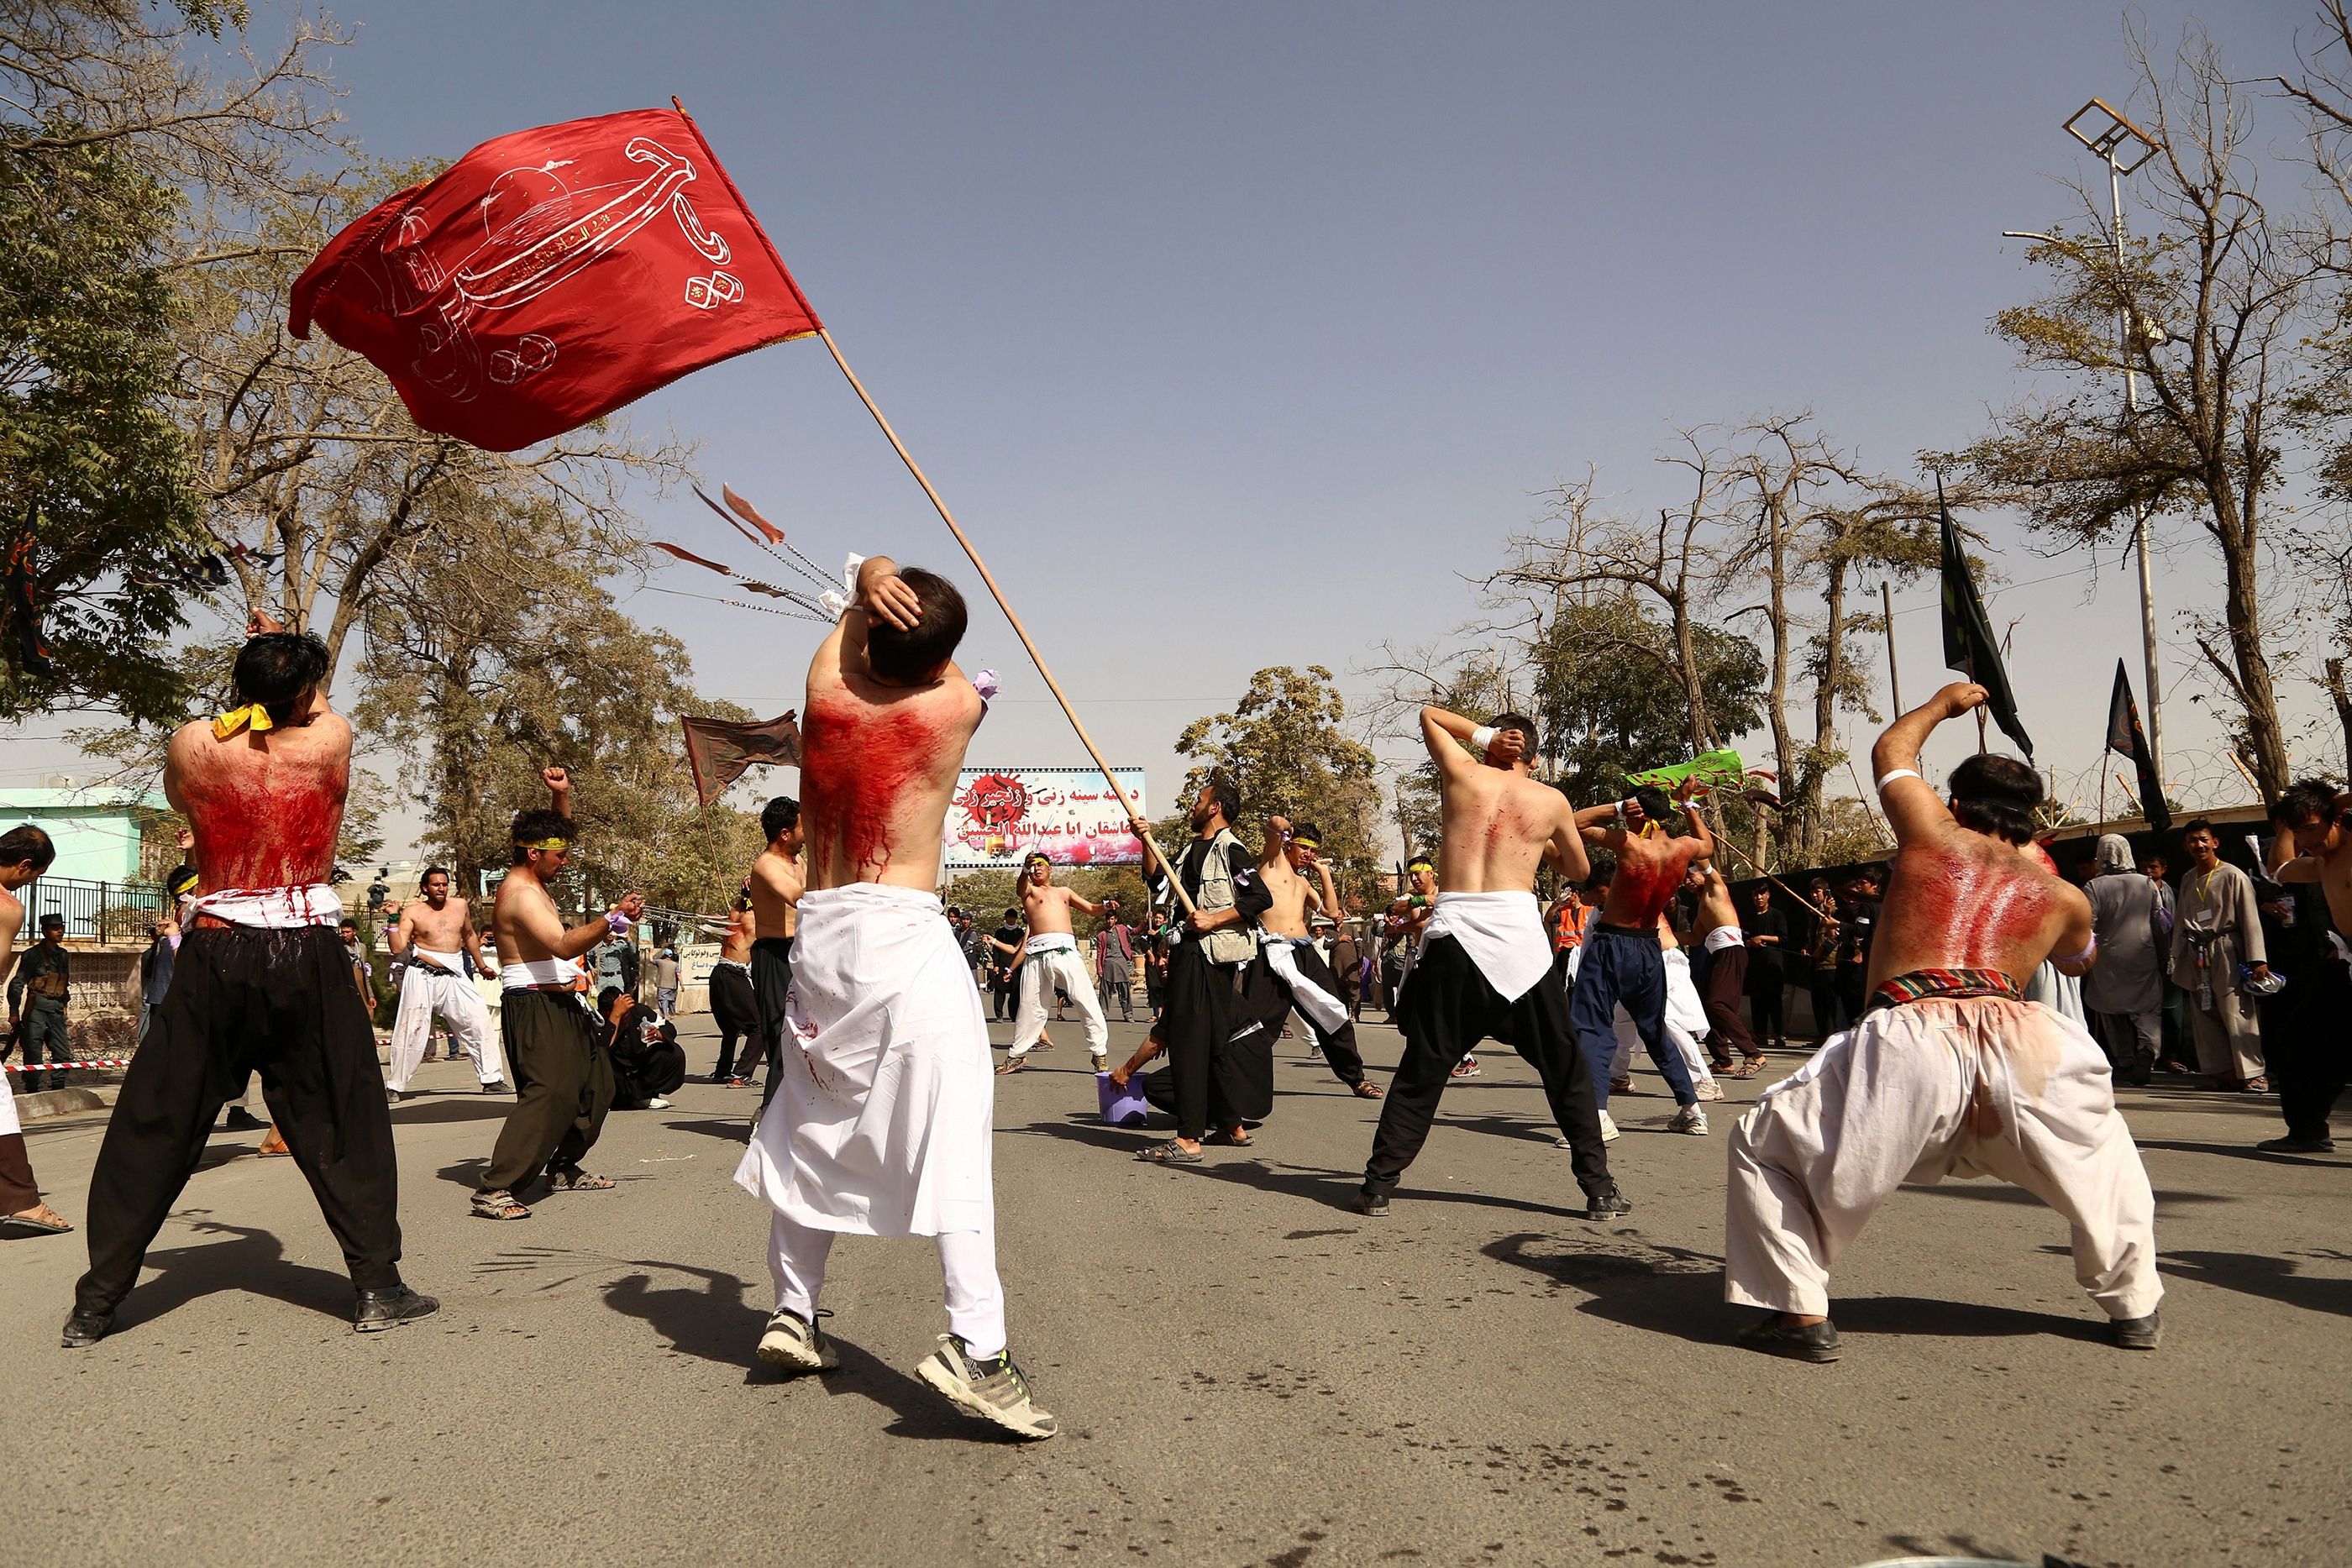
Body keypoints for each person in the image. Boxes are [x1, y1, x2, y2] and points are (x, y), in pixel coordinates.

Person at [1725, 683, 2160, 1363]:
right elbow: (2079, 963)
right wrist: (2048, 900)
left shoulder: (1930, 828)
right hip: (2024, 1043)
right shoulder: (2065, 894)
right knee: (2107, 1164)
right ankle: (2135, 1303)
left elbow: (1891, 748)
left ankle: (1800, 1311)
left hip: (1913, 1030)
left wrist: (1943, 703)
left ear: (1956, 801)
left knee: (1763, 1143)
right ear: (2032, 815)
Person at [733, 551, 1055, 1439]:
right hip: (903, 936)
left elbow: (857, 637)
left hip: (825, 935)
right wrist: (895, 599)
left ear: (868, 629)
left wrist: (869, 571)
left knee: (810, 1124)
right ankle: (978, 1350)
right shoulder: (953, 709)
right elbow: (947, 659)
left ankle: (792, 1313)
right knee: (954, 1132)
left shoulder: (826, 699)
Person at [66, 614, 433, 1345]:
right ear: (302, 693)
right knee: (340, 1114)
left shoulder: (194, 745)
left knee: (157, 1118)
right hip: (305, 951)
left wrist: (265, 669)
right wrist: (292, 655)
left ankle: (96, 1303)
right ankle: (378, 1288)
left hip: (216, 950)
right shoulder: (330, 739)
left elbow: (182, 799)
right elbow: (320, 708)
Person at [1357, 709, 1620, 1219]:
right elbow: (1580, 870)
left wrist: (1485, 736)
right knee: (1565, 1069)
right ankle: (1600, 1188)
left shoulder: (1462, 773)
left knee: (1423, 1068)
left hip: (1455, 938)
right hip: (1518, 946)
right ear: (1535, 757)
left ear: (1490, 746)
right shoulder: (1550, 800)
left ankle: (1378, 1186)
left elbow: (1429, 715)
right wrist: (1540, 842)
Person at [470, 768, 645, 1222]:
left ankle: (563, 1167)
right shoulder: (521, 895)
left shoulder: (536, 879)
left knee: (597, 1083)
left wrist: (561, 797)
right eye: (559, 856)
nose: (565, 862)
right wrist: (612, 918)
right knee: (548, 1092)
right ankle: (497, 1187)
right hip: (533, 1003)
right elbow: (564, 945)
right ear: (534, 854)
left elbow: (554, 836)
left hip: (561, 999)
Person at [1118, 779, 1273, 1162]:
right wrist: (1145, 841)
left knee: (1188, 1043)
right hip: (1190, 951)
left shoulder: (1230, 850)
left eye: (1199, 800)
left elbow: (1259, 897)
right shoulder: (1191, 850)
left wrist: (1215, 919)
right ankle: (1232, 1126)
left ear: (1215, 807)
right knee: (1214, 1043)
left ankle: (1188, 1139)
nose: (1193, 805)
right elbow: (1156, 880)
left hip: (1206, 955)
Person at [1568, 783, 1712, 1135]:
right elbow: (1707, 845)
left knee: (1593, 1028)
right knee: (1655, 1030)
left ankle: (1598, 1117)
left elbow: (1574, 822)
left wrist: (1618, 807)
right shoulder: (1684, 848)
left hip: (1613, 944)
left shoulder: (1629, 844)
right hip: (1650, 947)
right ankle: (1691, 1109)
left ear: (1640, 813)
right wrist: (1687, 803)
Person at [1234, 817, 1383, 1100]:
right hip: (1271, 955)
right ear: (1289, 844)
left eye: (1313, 851)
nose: (1309, 855)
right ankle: (1236, 1088)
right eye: (1305, 848)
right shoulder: (1271, 864)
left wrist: (1324, 873)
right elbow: (1275, 823)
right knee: (1258, 1026)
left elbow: (1332, 911)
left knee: (1332, 1012)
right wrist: (1286, 831)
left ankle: (1357, 1079)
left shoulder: (1303, 883)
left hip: (1303, 954)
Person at [2261, 779, 2352, 1151]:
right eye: (2299, 831)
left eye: (2312, 827)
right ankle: (2307, 1129)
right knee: (2298, 1040)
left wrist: (2331, 801)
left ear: (2335, 819)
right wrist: (2290, 819)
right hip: (2345, 962)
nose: (2306, 838)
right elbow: (2278, 869)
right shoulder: (2319, 863)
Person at [0, 826, 71, 1238]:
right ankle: (22, 1200)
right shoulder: (7, 907)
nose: (31, 883)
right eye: (35, 875)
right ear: (25, 865)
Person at [385, 867, 506, 1100]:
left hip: (455, 972)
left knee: (479, 1020)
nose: (441, 888)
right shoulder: (413, 912)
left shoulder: (460, 906)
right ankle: (395, 1086)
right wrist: (392, 917)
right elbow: (398, 947)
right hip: (422, 973)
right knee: (412, 1029)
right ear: (425, 888)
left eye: (444, 884)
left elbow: (469, 935)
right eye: (436, 884)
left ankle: (492, 1079)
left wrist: (481, 966)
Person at [2170, 818, 2269, 1093]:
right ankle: (2225, 1071)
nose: (2198, 845)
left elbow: (2250, 919)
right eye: (2193, 840)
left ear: (2215, 843)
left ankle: (2253, 1072)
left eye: (2203, 839)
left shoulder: (2233, 876)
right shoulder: (2189, 878)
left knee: (2236, 1010)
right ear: (2185, 846)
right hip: (2196, 952)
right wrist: (2176, 956)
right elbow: (2180, 920)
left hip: (2226, 949)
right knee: (2205, 1013)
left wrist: (2257, 959)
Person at [996, 852, 1110, 1074]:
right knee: (1031, 1007)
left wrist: (1105, 906)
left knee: (1084, 999)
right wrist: (1024, 870)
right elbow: (1021, 888)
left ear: (1050, 868)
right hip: (1037, 954)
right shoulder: (1029, 891)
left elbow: (1092, 909)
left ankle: (1100, 1053)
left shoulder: (1064, 892)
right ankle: (1016, 1055)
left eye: (1041, 865)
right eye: (1033, 866)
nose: (1037, 869)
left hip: (1065, 951)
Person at [2081, 834, 2168, 1088]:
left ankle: (2125, 1059)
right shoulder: (2147, 883)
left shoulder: (2093, 887)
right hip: (2143, 955)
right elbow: (2159, 922)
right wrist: (2164, 955)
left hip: (2107, 959)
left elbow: (2088, 926)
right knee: (2148, 1009)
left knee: (2111, 1011)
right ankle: (2148, 1050)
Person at [742, 796, 805, 1111]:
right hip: (775, 956)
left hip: (802, 952)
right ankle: (769, 1116)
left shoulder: (799, 862)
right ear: (784, 833)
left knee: (807, 1038)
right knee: (782, 1038)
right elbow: (797, 897)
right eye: (802, 826)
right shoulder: (766, 865)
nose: (806, 832)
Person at [1688, 858, 1764, 1076]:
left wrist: (1694, 836)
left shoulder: (1717, 889)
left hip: (1731, 951)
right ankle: (1723, 1060)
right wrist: (1656, 934)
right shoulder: (1702, 907)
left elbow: (1705, 858)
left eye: (1691, 873)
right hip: (1717, 954)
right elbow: (1694, 938)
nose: (1688, 880)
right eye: (1685, 877)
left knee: (1717, 1003)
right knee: (1704, 1005)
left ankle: (1753, 1054)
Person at [8, 912, 71, 1093]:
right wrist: (14, 1012)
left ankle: (58, 1087)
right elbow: (17, 983)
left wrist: (65, 1005)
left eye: (61, 927)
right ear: (44, 931)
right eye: (55, 928)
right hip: (37, 1009)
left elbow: (64, 983)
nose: (60, 931)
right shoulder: (32, 955)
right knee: (34, 1051)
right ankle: (32, 1089)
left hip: (56, 1009)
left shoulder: (63, 955)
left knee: (62, 1052)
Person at [601, 986, 686, 1110]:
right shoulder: (598, 1020)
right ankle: (627, 1100)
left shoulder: (639, 1011)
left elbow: (670, 1029)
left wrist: (658, 1034)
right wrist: (615, 1022)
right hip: (614, 1075)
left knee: (673, 1053)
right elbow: (600, 1051)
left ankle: (641, 1097)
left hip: (637, 1071)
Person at [710, 894, 761, 1083]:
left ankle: (722, 1070)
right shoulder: (755, 922)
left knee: (730, 1027)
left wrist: (746, 891)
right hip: (733, 974)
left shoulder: (734, 914)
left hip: (718, 973)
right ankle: (741, 1074)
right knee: (759, 1026)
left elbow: (743, 900)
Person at [1742, 884, 1790, 1051]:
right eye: (1756, 894)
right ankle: (1760, 1034)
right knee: (1757, 999)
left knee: (1775, 999)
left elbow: (1783, 939)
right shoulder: (1750, 917)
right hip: (1755, 964)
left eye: (1762, 894)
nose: (1759, 898)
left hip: (1773, 963)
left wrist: (1762, 937)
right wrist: (1750, 942)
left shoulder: (1777, 915)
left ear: (1768, 895)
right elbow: (1745, 938)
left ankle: (1779, 1034)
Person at [1801, 876, 1843, 1041]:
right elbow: (1813, 936)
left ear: (1825, 892)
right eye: (1812, 891)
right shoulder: (1812, 913)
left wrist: (1821, 950)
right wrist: (1807, 947)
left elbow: (1835, 937)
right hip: (1815, 964)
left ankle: (1836, 1035)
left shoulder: (1834, 911)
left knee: (1833, 1002)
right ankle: (1822, 1035)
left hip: (1830, 963)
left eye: (1817, 891)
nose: (1814, 895)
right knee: (1819, 1004)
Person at [1092, 900, 1137, 1023]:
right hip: (1108, 964)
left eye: (1112, 919)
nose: (1110, 921)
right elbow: (1100, 952)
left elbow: (1135, 931)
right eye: (1108, 919)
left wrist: (1145, 922)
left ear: (1115, 919)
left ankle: (1128, 1014)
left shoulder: (1122, 929)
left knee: (1124, 990)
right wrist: (1099, 968)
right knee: (1105, 991)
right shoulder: (1102, 935)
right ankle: (1103, 1013)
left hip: (1121, 963)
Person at [986, 907, 1022, 1023]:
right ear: (1005, 918)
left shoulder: (1020, 932)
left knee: (1015, 991)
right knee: (1000, 990)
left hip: (1016, 965)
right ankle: (999, 1014)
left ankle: (1014, 1014)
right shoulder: (1000, 932)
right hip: (1002, 963)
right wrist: (996, 964)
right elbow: (996, 950)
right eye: (1009, 917)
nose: (1011, 920)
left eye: (1013, 918)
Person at [651, 947, 682, 1017]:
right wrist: (682, 985)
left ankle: (664, 1014)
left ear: (664, 955)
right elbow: (679, 974)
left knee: (663, 1000)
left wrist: (650, 953)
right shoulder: (675, 964)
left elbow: (651, 960)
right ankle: (672, 1014)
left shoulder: (660, 962)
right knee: (671, 1000)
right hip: (673, 986)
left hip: (662, 985)